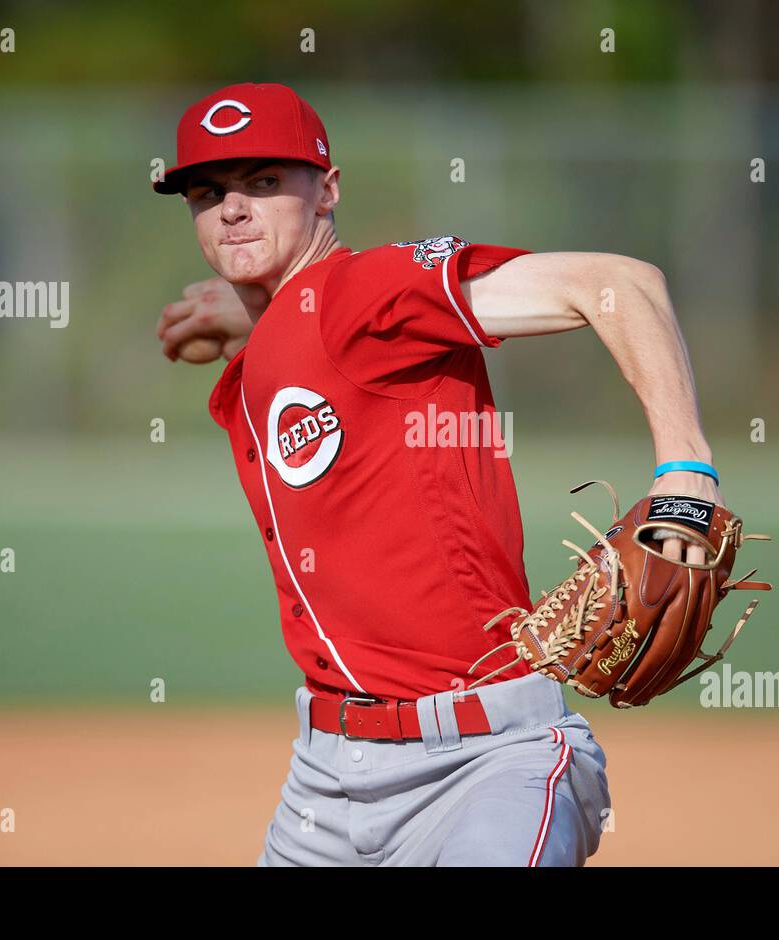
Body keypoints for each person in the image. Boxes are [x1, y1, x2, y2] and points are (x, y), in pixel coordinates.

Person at [153, 82, 721, 866]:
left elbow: (620, 284)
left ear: (329, 191)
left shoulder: (368, 288)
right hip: (325, 782)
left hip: (485, 766)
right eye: (208, 193)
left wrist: (687, 472)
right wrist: (255, 313)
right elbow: (319, 338)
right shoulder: (297, 318)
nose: (233, 210)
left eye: (263, 183)